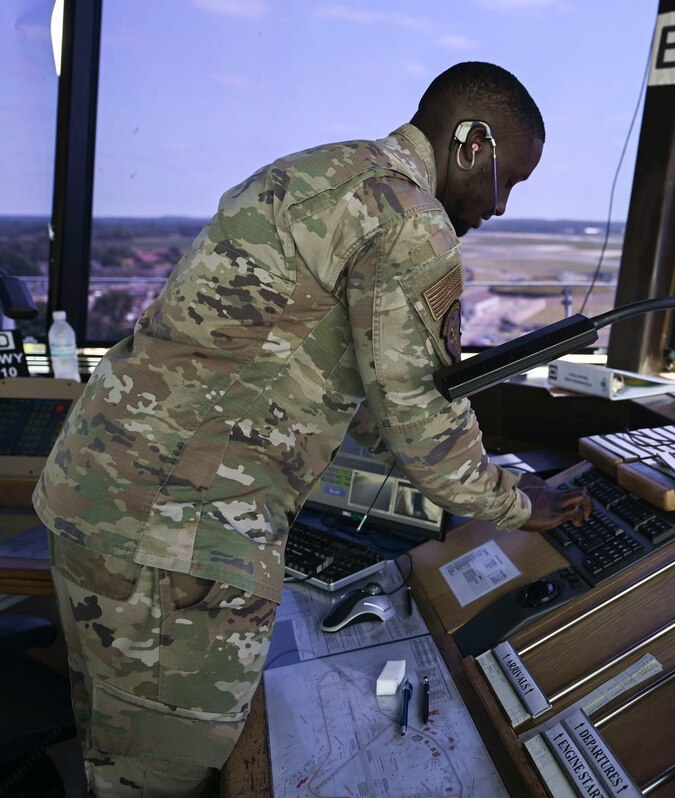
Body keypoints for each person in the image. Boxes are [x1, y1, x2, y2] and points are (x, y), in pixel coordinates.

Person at [33, 61, 592, 797]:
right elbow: (421, 416)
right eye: (508, 179)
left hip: (95, 495)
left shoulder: (320, 171)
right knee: (161, 780)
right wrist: (520, 501)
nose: (502, 206)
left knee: (111, 745)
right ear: (472, 143)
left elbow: (320, 367)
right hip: (179, 537)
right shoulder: (410, 219)